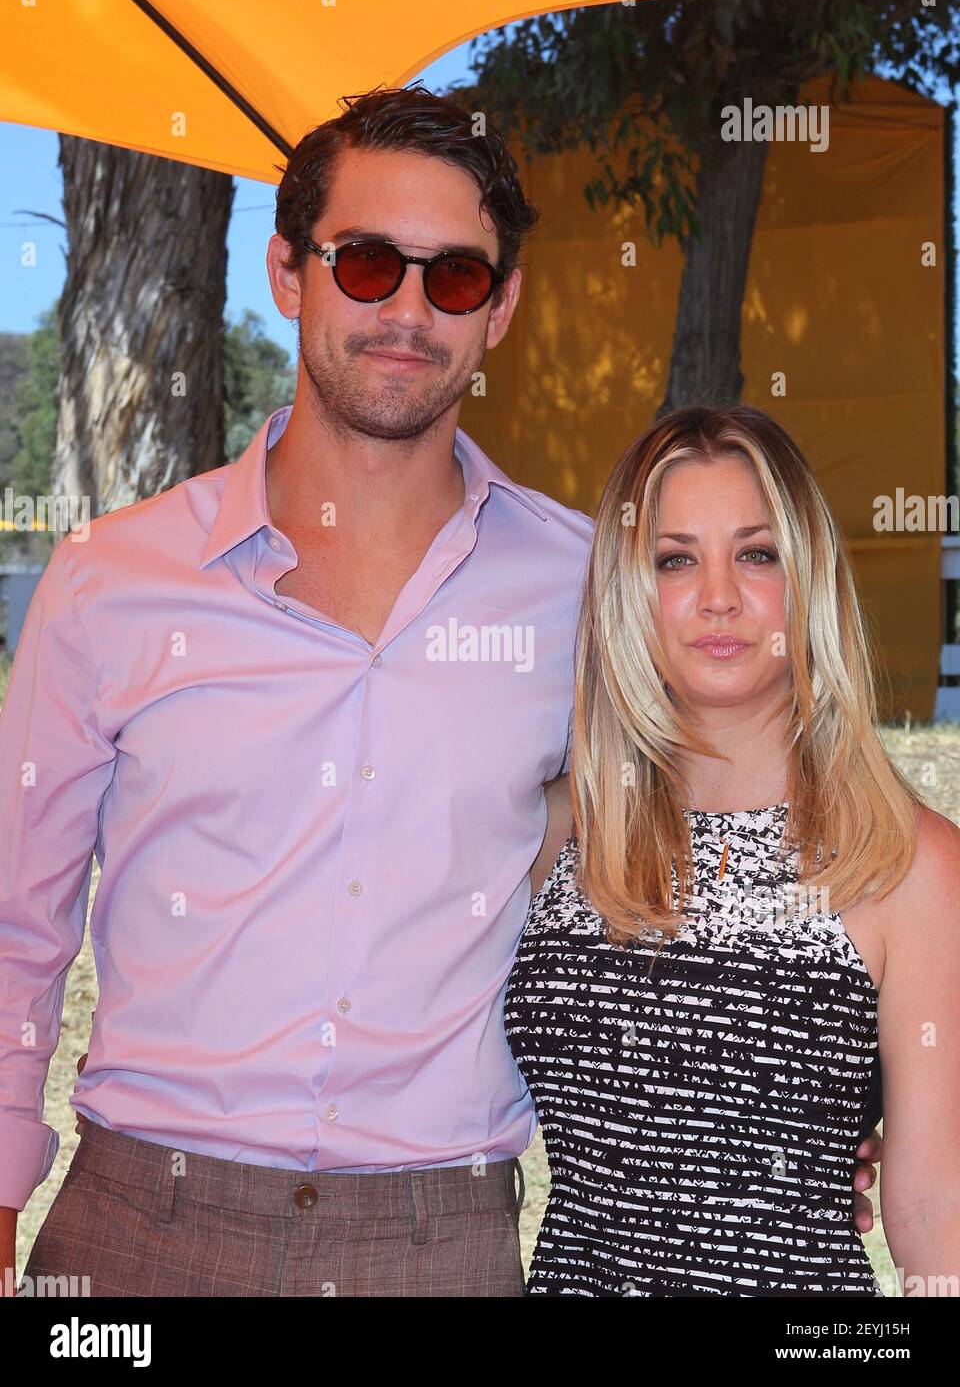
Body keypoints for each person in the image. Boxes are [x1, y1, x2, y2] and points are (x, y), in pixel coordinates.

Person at [0, 86, 879, 1300]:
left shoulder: (592, 585)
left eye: (455, 278)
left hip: (438, 1245)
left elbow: (739, 802)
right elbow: (14, 927)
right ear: (288, 273)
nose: (407, 311)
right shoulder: (110, 584)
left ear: (501, 307)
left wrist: (854, 1081)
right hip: (135, 1234)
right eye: (366, 263)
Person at [504, 404, 960, 1296]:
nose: (718, 596)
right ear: (629, 591)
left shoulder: (907, 864)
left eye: (757, 554)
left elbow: (936, 1225)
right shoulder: (559, 831)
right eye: (675, 559)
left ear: (810, 579)